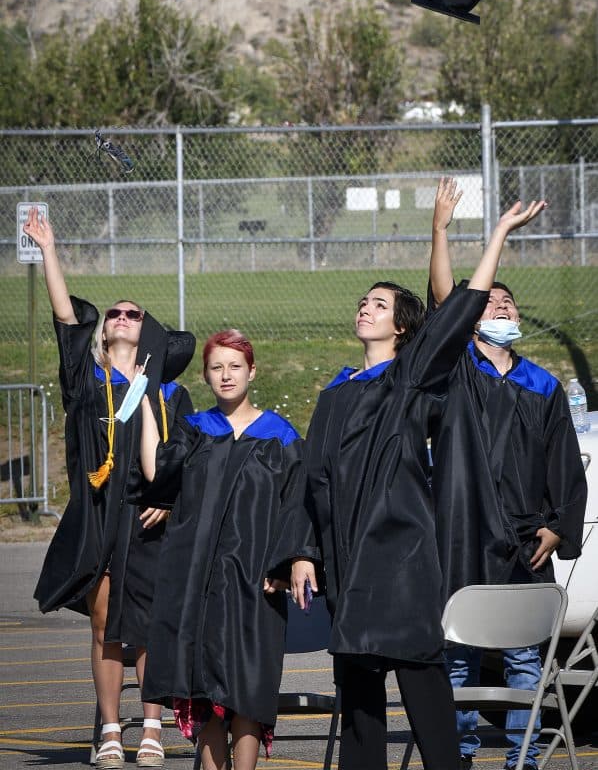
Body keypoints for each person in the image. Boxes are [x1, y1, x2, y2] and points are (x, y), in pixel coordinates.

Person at [289, 198, 550, 770]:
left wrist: (490, 231)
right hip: (346, 556)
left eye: (378, 304)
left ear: (402, 327)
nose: (365, 308)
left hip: (402, 560)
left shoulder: (408, 380)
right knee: (357, 694)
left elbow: (457, 311)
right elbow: (313, 477)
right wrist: (304, 552)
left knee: (423, 685)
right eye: (362, 301)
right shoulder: (335, 394)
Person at [24, 206, 196, 770]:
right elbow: (66, 319)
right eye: (115, 312)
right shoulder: (85, 380)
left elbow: (179, 460)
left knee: (144, 624)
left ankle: (151, 726)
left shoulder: (165, 394)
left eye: (133, 312)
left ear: (147, 330)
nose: (121, 316)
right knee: (104, 624)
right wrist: (50, 250)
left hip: (145, 515)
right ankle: (108, 730)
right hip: (100, 513)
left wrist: (169, 502)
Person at [428, 177, 588, 770]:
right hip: (463, 532)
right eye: (489, 300)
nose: (499, 304)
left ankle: (522, 754)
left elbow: (564, 467)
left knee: (524, 655)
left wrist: (556, 526)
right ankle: (461, 752)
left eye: (508, 301)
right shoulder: (459, 371)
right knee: (459, 653)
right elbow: (447, 301)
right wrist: (441, 229)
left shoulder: (541, 385)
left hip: (524, 539)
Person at [139, 329, 309, 770]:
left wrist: (287, 562)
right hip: (196, 580)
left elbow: (298, 507)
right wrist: (142, 403)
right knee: (203, 688)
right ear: (206, 376)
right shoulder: (195, 431)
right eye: (216, 368)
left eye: (235, 366)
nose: (226, 375)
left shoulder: (281, 436)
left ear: (253, 372)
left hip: (255, 581)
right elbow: (157, 473)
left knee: (247, 685)